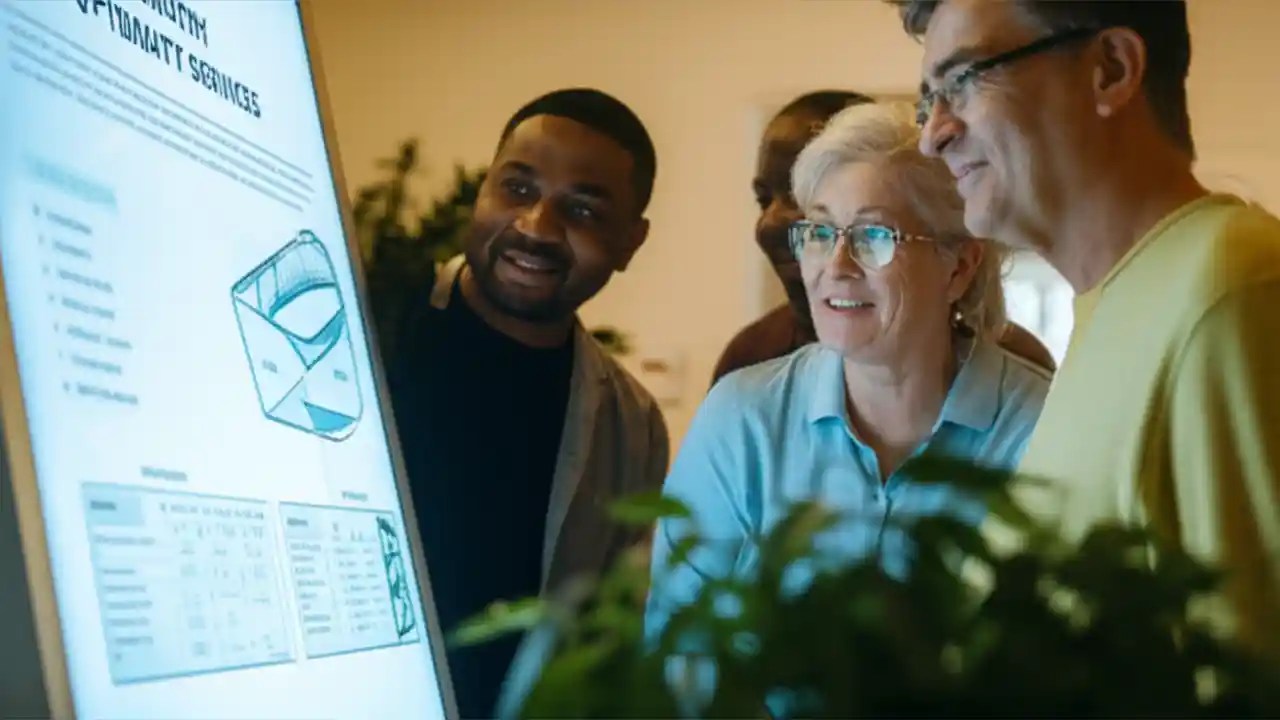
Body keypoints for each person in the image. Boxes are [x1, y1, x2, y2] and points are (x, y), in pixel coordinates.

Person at [897, 0, 1280, 660]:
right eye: (928, 99)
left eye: (963, 80)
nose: (934, 134)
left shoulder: (1229, 288)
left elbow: (1248, 679)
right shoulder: (1118, 303)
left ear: (1111, 69)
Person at [646, 102, 1050, 639]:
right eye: (819, 233)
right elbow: (679, 642)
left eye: (874, 237)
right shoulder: (742, 417)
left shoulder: (1041, 426)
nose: (835, 267)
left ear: (959, 266)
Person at [387, 88, 670, 717]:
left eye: (583, 209)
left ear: (631, 241)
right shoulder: (377, 327)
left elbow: (608, 643)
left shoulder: (631, 425)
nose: (537, 227)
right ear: (482, 189)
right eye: (517, 189)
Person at [710, 91, 1056, 387]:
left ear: (959, 266)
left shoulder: (1018, 387)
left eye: (871, 233)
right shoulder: (748, 379)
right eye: (763, 200)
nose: (770, 224)